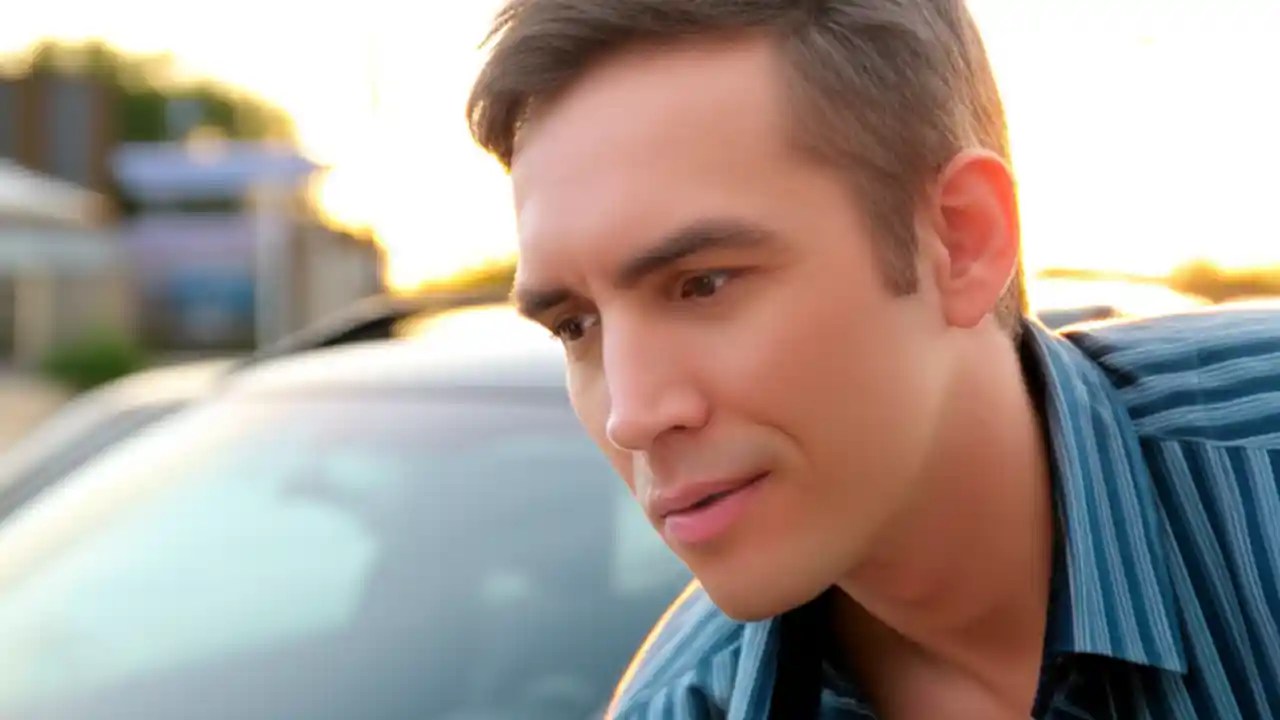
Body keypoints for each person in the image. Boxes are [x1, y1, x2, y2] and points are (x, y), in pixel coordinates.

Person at [466, 1, 1280, 717]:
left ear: (961, 241)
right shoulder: (682, 705)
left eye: (702, 284)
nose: (632, 414)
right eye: (575, 327)